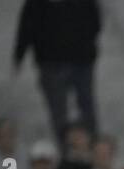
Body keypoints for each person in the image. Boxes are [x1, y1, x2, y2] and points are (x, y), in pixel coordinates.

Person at [13, 0, 102, 140]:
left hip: (79, 60)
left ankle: (93, 145)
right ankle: (68, 148)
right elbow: (27, 26)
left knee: (84, 105)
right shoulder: (37, 4)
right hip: (53, 63)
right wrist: (19, 54)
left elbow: (95, 23)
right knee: (60, 109)